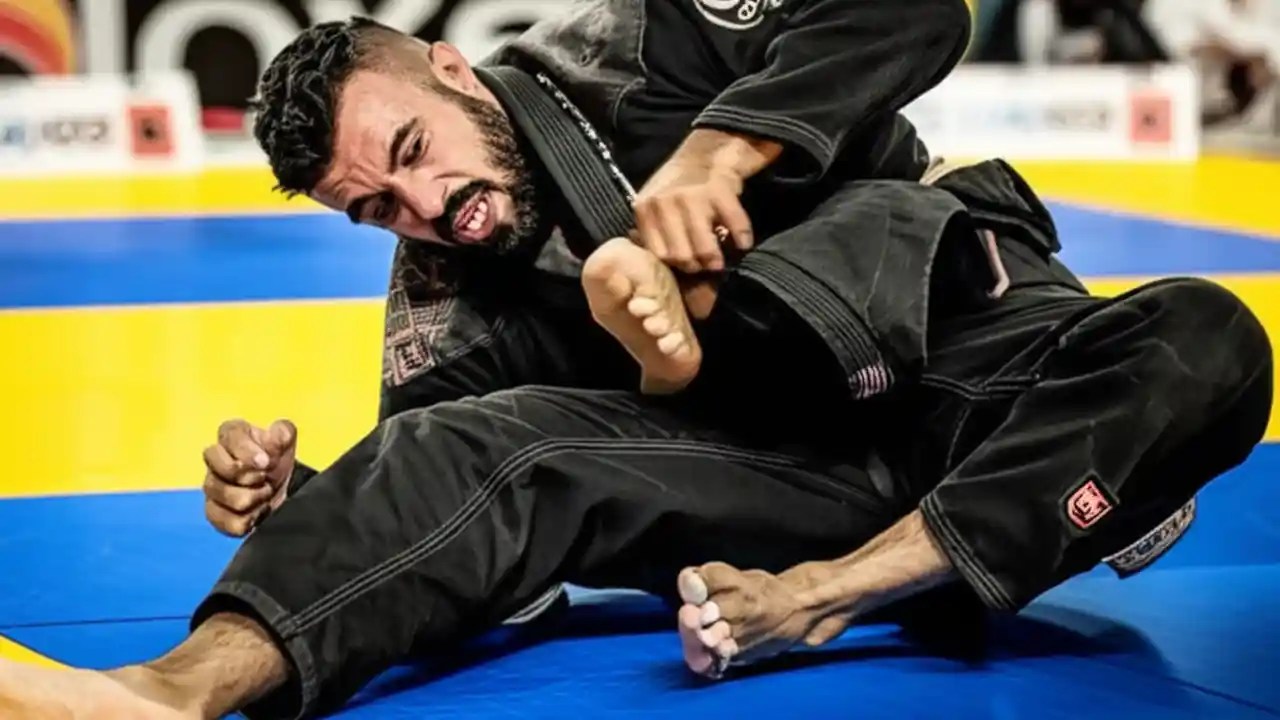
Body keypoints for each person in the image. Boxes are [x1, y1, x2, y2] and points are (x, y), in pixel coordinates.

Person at [1, 1, 1272, 719]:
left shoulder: (643, 42)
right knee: (478, 442)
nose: (419, 207)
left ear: (451, 69)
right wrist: (303, 495)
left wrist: (723, 150)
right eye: (370, 208)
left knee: (1202, 334)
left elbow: (912, 6)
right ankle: (165, 696)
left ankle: (846, 591)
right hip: (790, 482)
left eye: (408, 153)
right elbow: (453, 512)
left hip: (968, 375)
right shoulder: (445, 287)